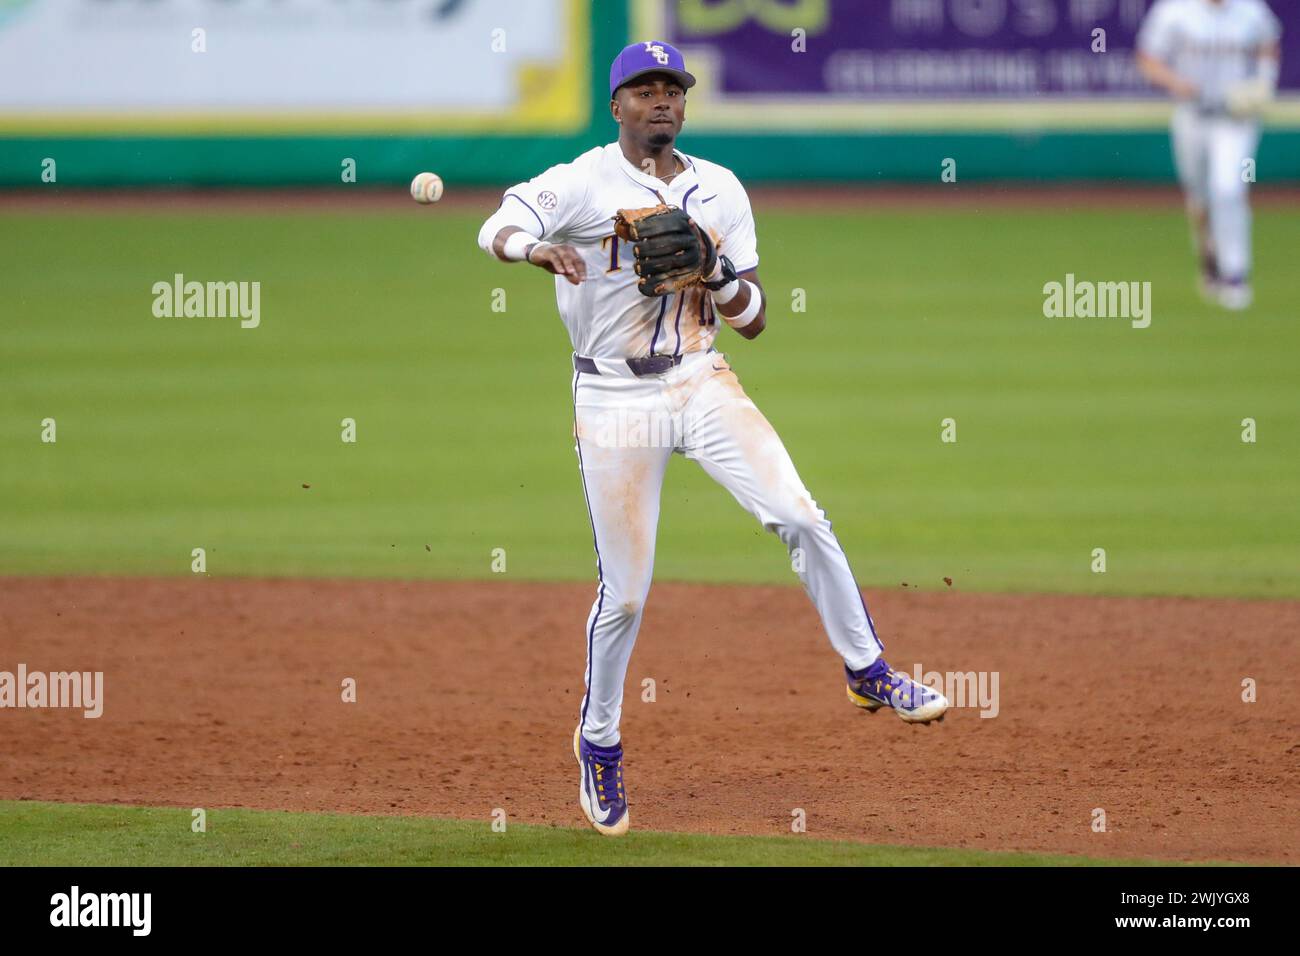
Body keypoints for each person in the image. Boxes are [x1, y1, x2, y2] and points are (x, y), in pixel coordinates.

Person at [476, 40, 948, 838]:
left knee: (799, 516)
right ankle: (599, 742)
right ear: (617, 105)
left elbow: (756, 319)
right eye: (644, 89)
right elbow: (500, 223)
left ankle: (867, 669)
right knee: (624, 594)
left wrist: (718, 272)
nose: (661, 101)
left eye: (673, 89)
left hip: (700, 378)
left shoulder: (720, 188)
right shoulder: (581, 181)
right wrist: (535, 248)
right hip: (614, 395)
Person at [1136, 0, 1283, 310]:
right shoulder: (1173, 11)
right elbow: (1147, 59)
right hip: (1192, 117)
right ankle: (1209, 257)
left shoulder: (1250, 10)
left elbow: (1268, 44)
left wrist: (1264, 81)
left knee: (1229, 188)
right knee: (1199, 196)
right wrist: (1177, 83)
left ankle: (1235, 274)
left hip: (1237, 119)